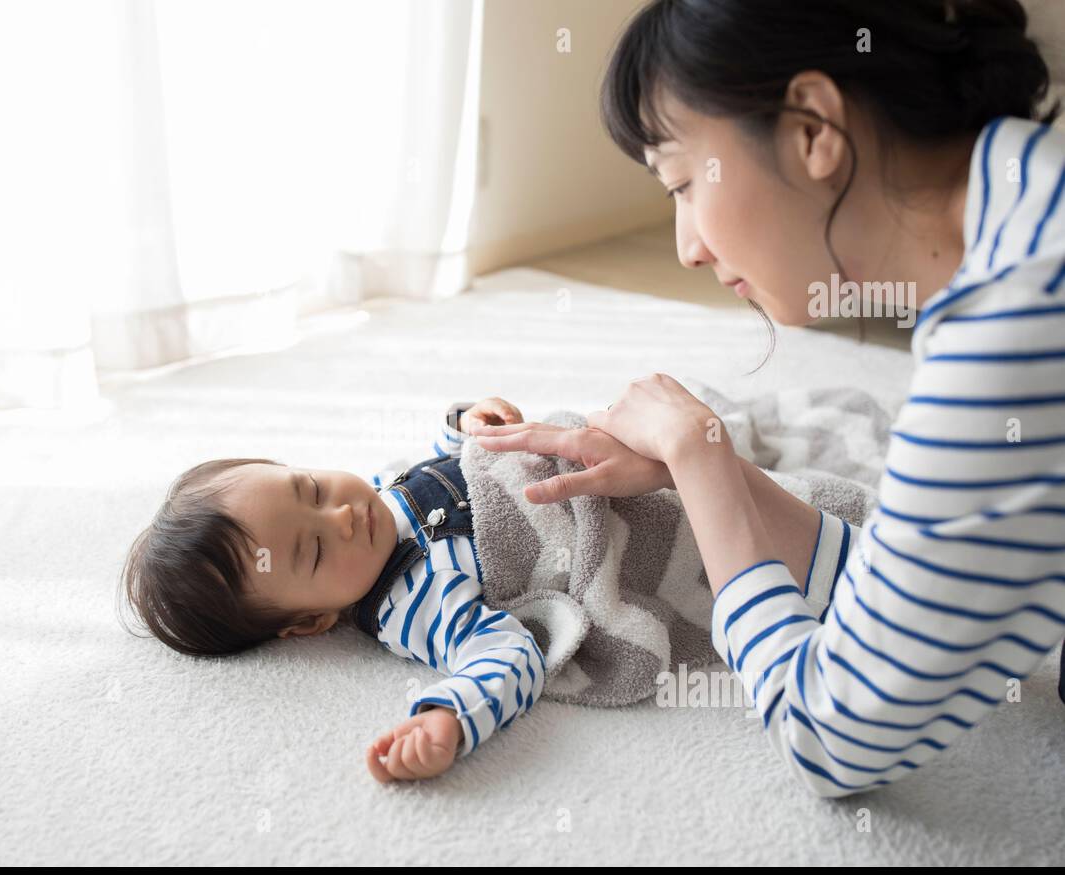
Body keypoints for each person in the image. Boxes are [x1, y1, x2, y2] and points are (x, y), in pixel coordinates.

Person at [474, 0, 1065, 797]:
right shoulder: (1031, 204)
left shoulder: (1011, 328)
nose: (686, 247)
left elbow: (834, 736)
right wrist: (705, 468)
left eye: (684, 181)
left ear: (814, 128)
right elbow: (929, 599)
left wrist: (699, 455)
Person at [119, 398, 548, 782]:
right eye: (316, 550)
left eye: (312, 488)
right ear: (311, 621)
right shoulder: (415, 606)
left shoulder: (378, 492)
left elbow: (431, 468)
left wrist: (463, 426)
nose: (342, 515)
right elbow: (509, 653)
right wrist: (452, 714)